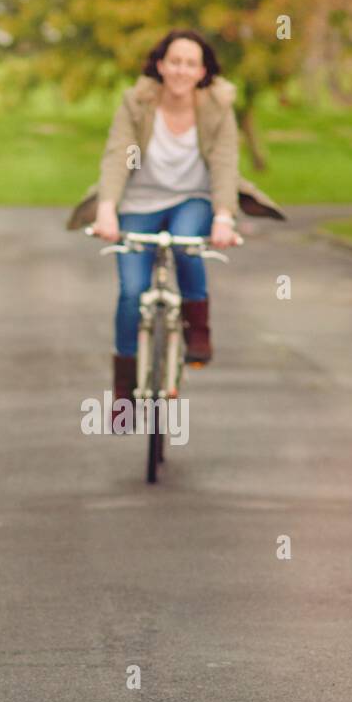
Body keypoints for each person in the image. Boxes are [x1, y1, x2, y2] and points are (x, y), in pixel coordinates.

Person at [66, 29, 284, 421]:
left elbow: (223, 162)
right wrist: (108, 209)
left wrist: (222, 216)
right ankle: (123, 391)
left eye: (191, 63)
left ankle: (197, 329)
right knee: (132, 291)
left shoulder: (217, 106)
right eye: (175, 61)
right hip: (140, 201)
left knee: (186, 243)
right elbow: (118, 154)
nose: (182, 70)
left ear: (203, 71)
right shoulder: (137, 102)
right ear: (161, 65)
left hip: (193, 198)